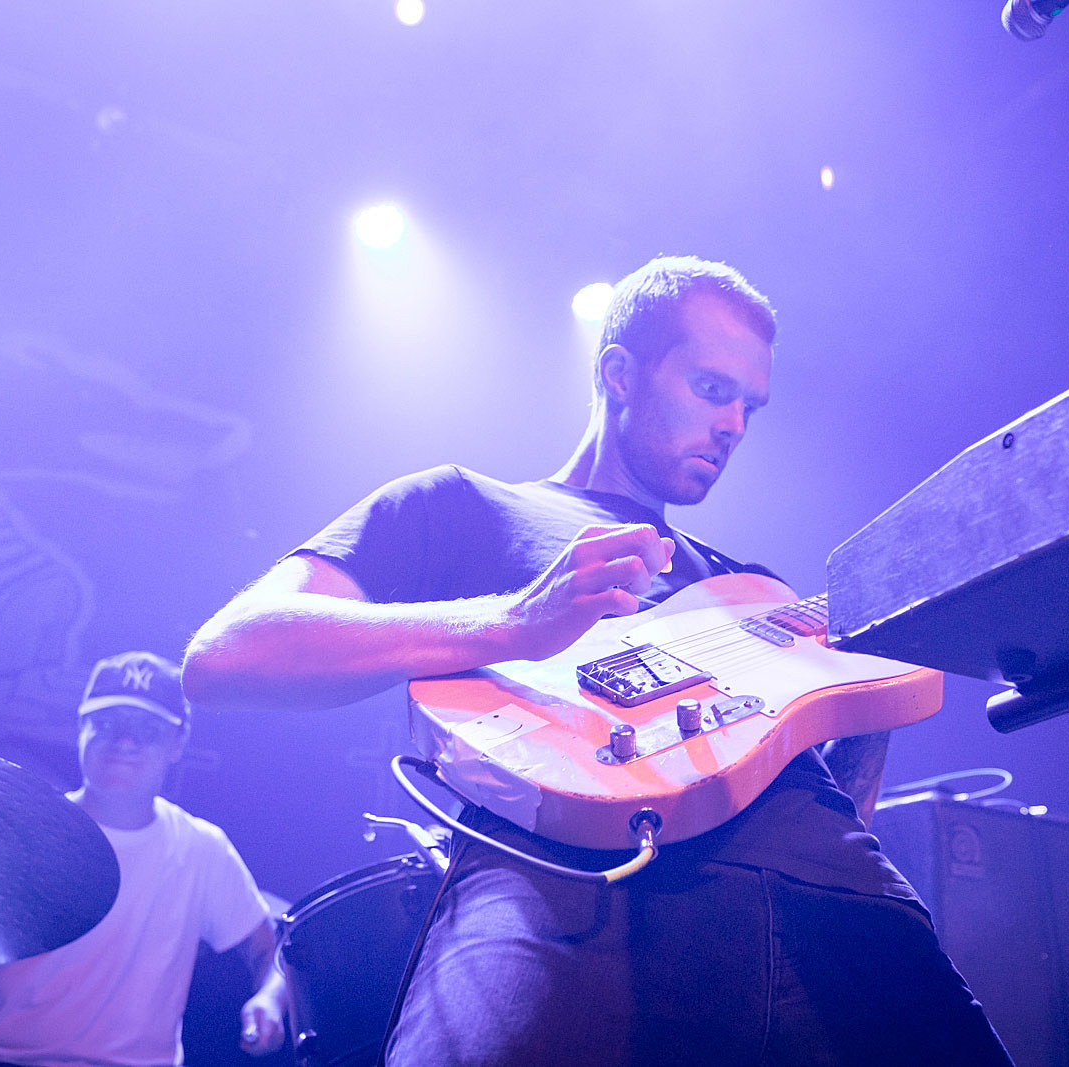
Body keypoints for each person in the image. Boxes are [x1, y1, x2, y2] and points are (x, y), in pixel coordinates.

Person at [183, 256, 1011, 1066]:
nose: (733, 426)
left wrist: (868, 696)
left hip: (828, 893)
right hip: (557, 887)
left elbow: (831, 798)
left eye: (750, 407)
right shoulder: (460, 503)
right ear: (621, 372)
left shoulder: (749, 587)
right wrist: (512, 619)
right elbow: (227, 654)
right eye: (713, 389)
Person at [0, 650, 287, 1067]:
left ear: (178, 744)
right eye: (107, 724)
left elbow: (272, 955)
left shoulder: (201, 849)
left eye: (146, 729)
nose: (124, 741)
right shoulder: (20, 836)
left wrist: (270, 999)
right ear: (80, 728)